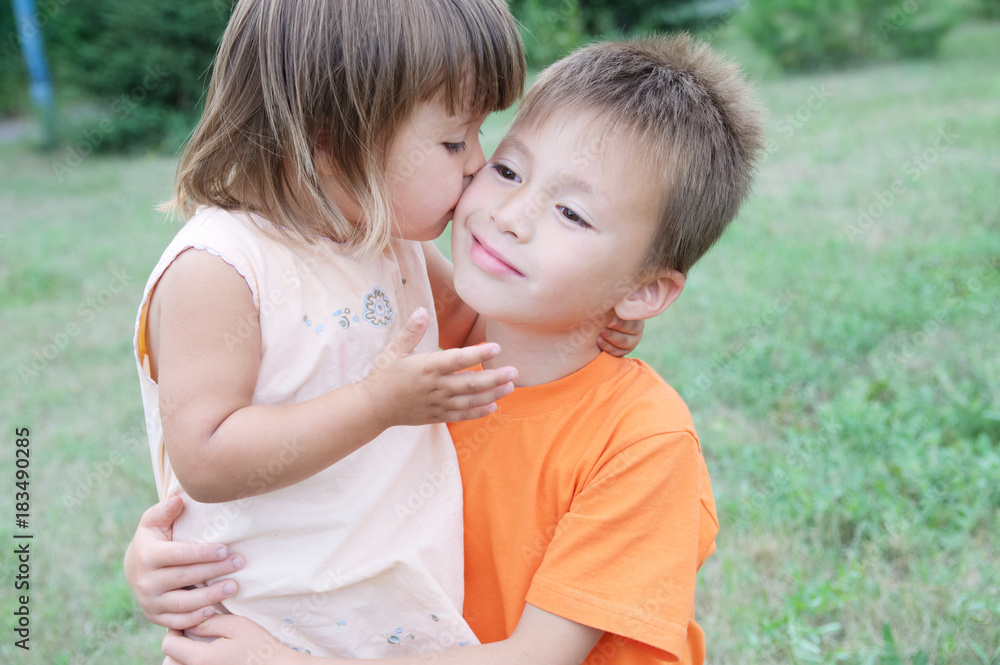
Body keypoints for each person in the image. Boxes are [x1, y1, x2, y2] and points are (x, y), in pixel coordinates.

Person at [131, 33, 764, 665]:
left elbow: (538, 657)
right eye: (507, 170)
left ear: (645, 289)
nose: (512, 214)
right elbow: (272, 456)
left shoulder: (639, 443)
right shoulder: (415, 369)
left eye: (572, 213)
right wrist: (172, 553)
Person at [131, 0, 532, 658]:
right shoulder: (221, 268)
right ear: (333, 132)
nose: (475, 164)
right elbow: (205, 453)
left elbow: (473, 332)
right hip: (263, 633)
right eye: (456, 140)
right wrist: (378, 404)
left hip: (392, 622)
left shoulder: (386, 241)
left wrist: (585, 314)